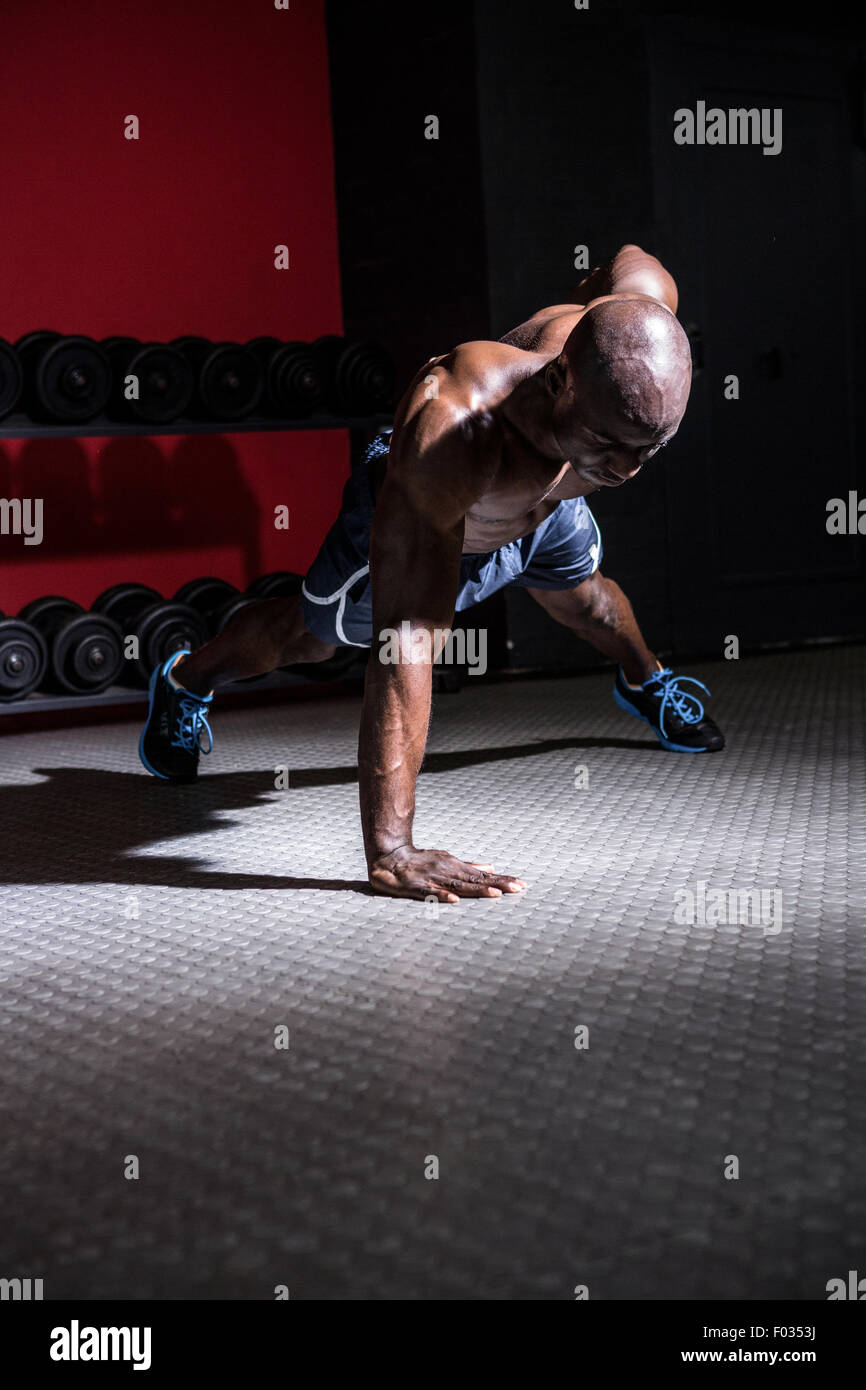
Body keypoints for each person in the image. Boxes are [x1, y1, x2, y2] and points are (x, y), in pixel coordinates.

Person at [139, 244, 724, 902]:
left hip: (544, 510)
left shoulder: (637, 310)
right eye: (609, 444)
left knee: (589, 603)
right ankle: (187, 680)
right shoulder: (456, 429)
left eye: (650, 448)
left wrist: (603, 428)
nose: (626, 470)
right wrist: (392, 849)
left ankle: (646, 681)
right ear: (562, 377)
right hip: (440, 514)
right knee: (310, 639)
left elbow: (628, 257)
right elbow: (408, 638)